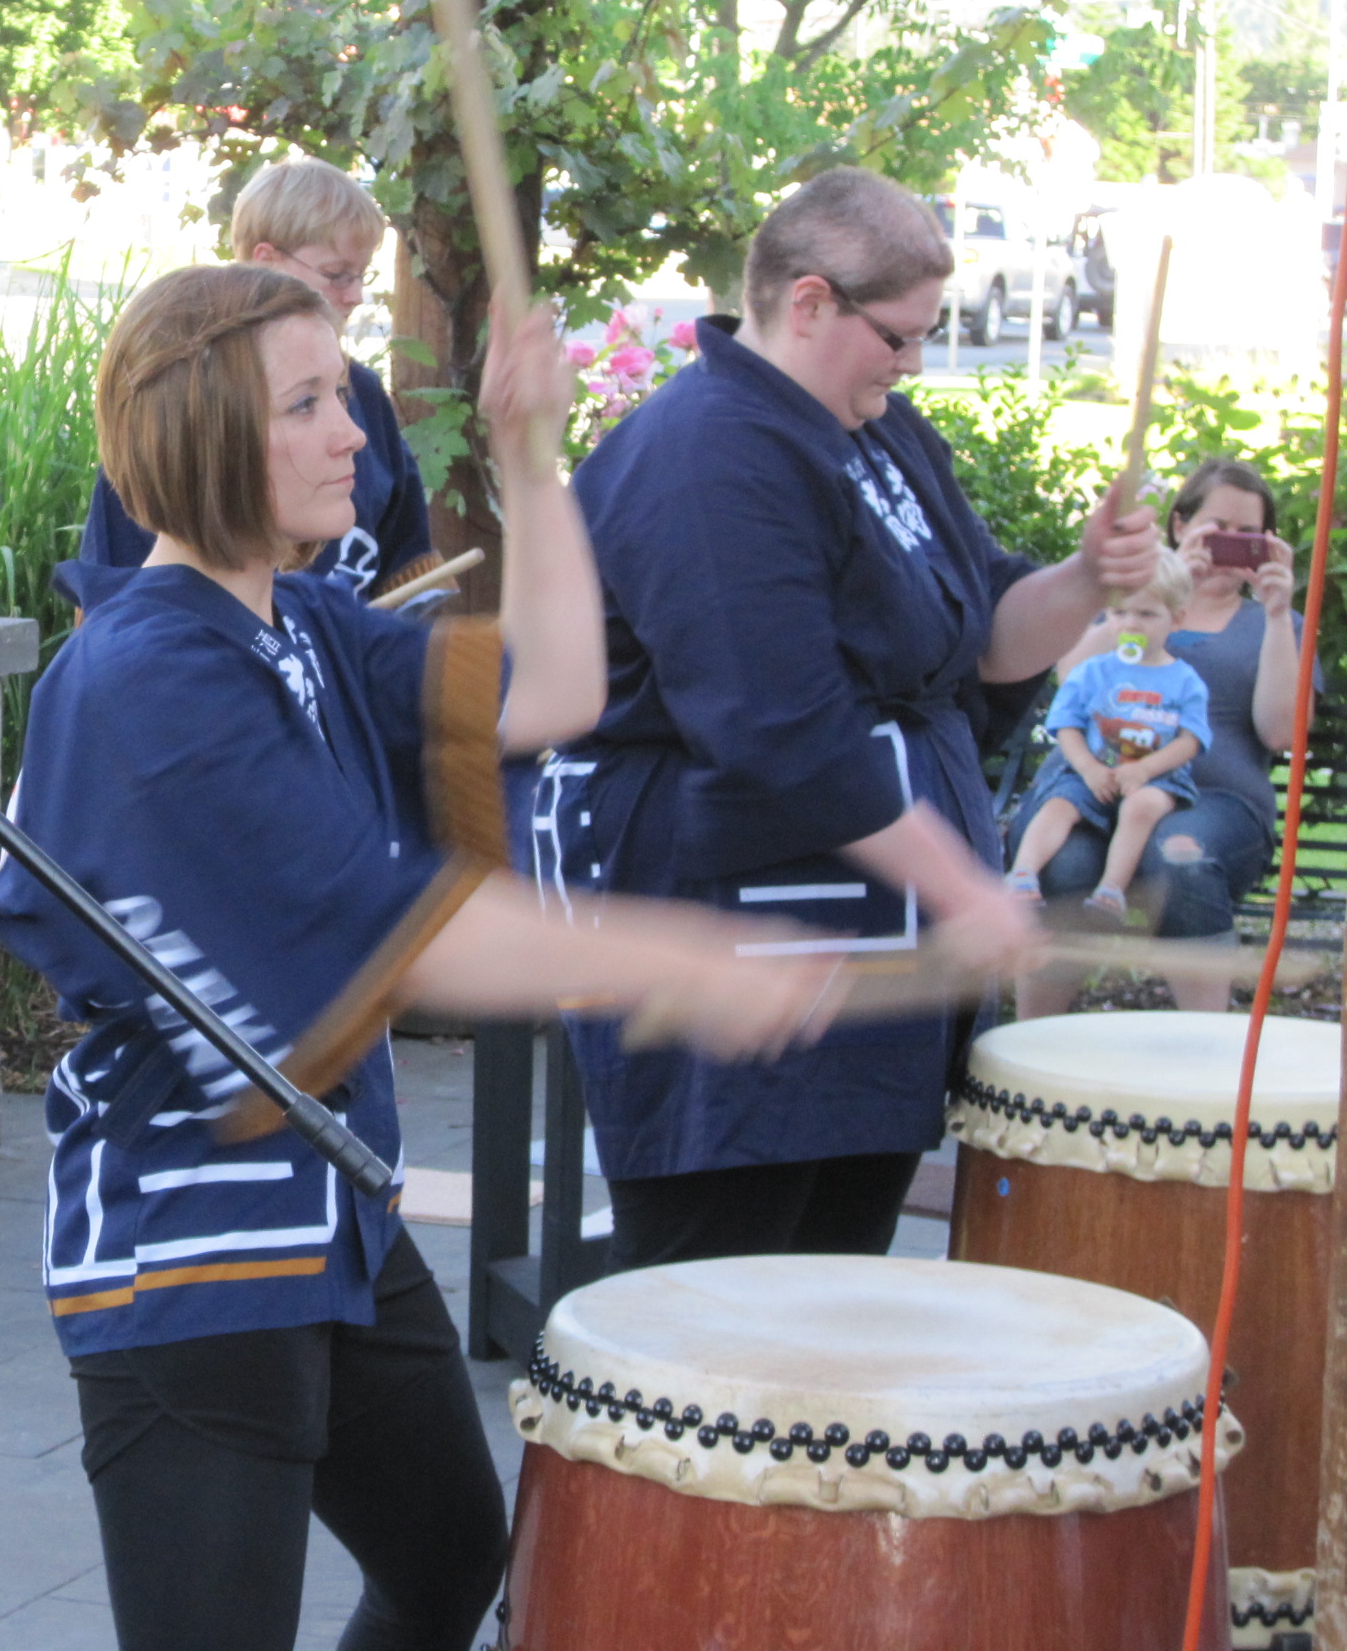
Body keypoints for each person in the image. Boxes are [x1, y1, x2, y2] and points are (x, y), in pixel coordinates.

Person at [0, 261, 842, 1651]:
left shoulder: (304, 623)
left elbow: (562, 685)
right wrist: (681, 955)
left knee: (448, 1566)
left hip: (333, 1212)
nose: (357, 438)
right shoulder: (146, 675)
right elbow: (407, 933)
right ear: (204, 427)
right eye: (311, 403)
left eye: (347, 397)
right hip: (191, 1252)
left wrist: (533, 456)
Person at [541, 167, 1159, 1271]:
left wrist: (1085, 577)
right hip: (737, 940)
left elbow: (981, 635)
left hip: (875, 940)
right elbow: (781, 728)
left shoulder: (879, 430)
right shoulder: (708, 452)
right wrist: (971, 887)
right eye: (898, 336)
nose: (914, 362)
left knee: (836, 1299)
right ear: (812, 301)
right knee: (716, 1315)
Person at [1016, 457, 1319, 1016]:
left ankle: (1210, 1052)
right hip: (1091, 785)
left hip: (1211, 803)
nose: (1230, 546)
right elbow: (1070, 677)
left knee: (1180, 859)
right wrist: (1165, 583)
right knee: (1066, 867)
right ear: (1181, 526)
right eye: (1217, 530)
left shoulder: (1276, 624)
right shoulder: (1126, 604)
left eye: (1247, 535)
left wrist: (1279, 614)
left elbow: (1282, 733)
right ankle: (1033, 1051)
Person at [81, 158, 444, 600]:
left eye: (362, 274)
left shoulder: (319, 624)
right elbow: (111, 604)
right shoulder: (185, 400)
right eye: (336, 274)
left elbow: (411, 572)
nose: (355, 296)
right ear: (266, 261)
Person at [1005, 550, 1210, 920]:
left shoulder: (1184, 680)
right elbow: (1066, 724)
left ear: (1176, 618)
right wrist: (1087, 768)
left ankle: (1111, 892)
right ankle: (1021, 876)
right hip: (1093, 771)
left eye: (1146, 614)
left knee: (1139, 807)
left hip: (1156, 777)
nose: (1131, 623)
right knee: (1058, 805)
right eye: (1120, 613)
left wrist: (1146, 771)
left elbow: (1190, 740)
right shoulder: (1092, 672)